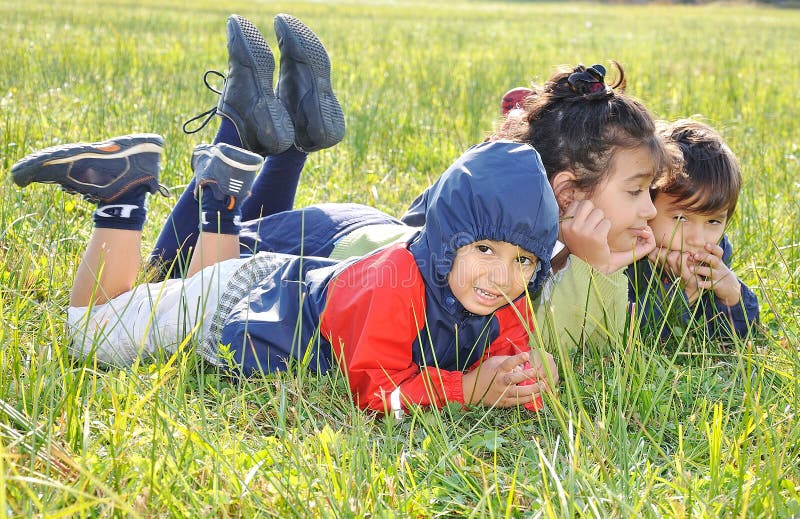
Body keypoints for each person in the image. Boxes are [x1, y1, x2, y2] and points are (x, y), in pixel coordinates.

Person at [10, 16, 562, 417]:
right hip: (239, 306)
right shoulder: (397, 279)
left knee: (180, 285)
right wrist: (468, 389)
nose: (500, 275)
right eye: (485, 250)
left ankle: (222, 196)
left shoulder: (507, 295)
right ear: (447, 239)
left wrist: (534, 378)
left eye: (521, 260)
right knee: (87, 334)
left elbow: (511, 360)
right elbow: (377, 388)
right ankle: (122, 198)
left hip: (267, 282)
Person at [153, 46, 670, 354]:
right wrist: (597, 269)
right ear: (566, 192)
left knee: (237, 237)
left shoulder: (531, 232)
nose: (649, 208)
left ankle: (288, 132)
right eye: (635, 191)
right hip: (331, 251)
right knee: (179, 271)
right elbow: (554, 344)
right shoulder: (537, 251)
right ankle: (239, 128)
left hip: (366, 231)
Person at [626, 119, 760, 341]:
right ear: (647, 205)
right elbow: (624, 334)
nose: (697, 239)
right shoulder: (627, 254)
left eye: (713, 222)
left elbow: (734, 337)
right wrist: (682, 296)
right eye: (680, 218)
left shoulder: (714, 255)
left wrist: (731, 297)